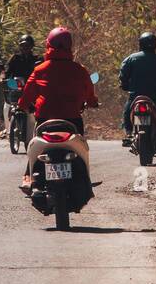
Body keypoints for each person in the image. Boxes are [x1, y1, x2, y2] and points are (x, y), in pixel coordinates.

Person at [17, 27, 99, 191]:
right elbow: (90, 94)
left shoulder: (40, 70)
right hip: (72, 121)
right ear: (70, 47)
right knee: (81, 149)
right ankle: (85, 178)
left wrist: (23, 106)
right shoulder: (80, 70)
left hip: (45, 121)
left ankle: (28, 176)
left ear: (48, 45)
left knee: (36, 147)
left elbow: (26, 97)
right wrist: (92, 103)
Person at [119, 32, 156, 148]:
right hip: (154, 97)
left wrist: (124, 85)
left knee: (127, 111)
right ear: (155, 45)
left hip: (135, 97)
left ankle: (128, 134)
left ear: (140, 44)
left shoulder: (131, 59)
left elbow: (123, 76)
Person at [0, 34, 36, 139]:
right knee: (7, 104)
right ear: (20, 47)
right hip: (17, 87)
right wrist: (3, 77)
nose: (25, 48)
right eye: (22, 46)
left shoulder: (37, 59)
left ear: (32, 46)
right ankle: (8, 129)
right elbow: (7, 71)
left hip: (32, 89)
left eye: (27, 46)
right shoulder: (15, 58)